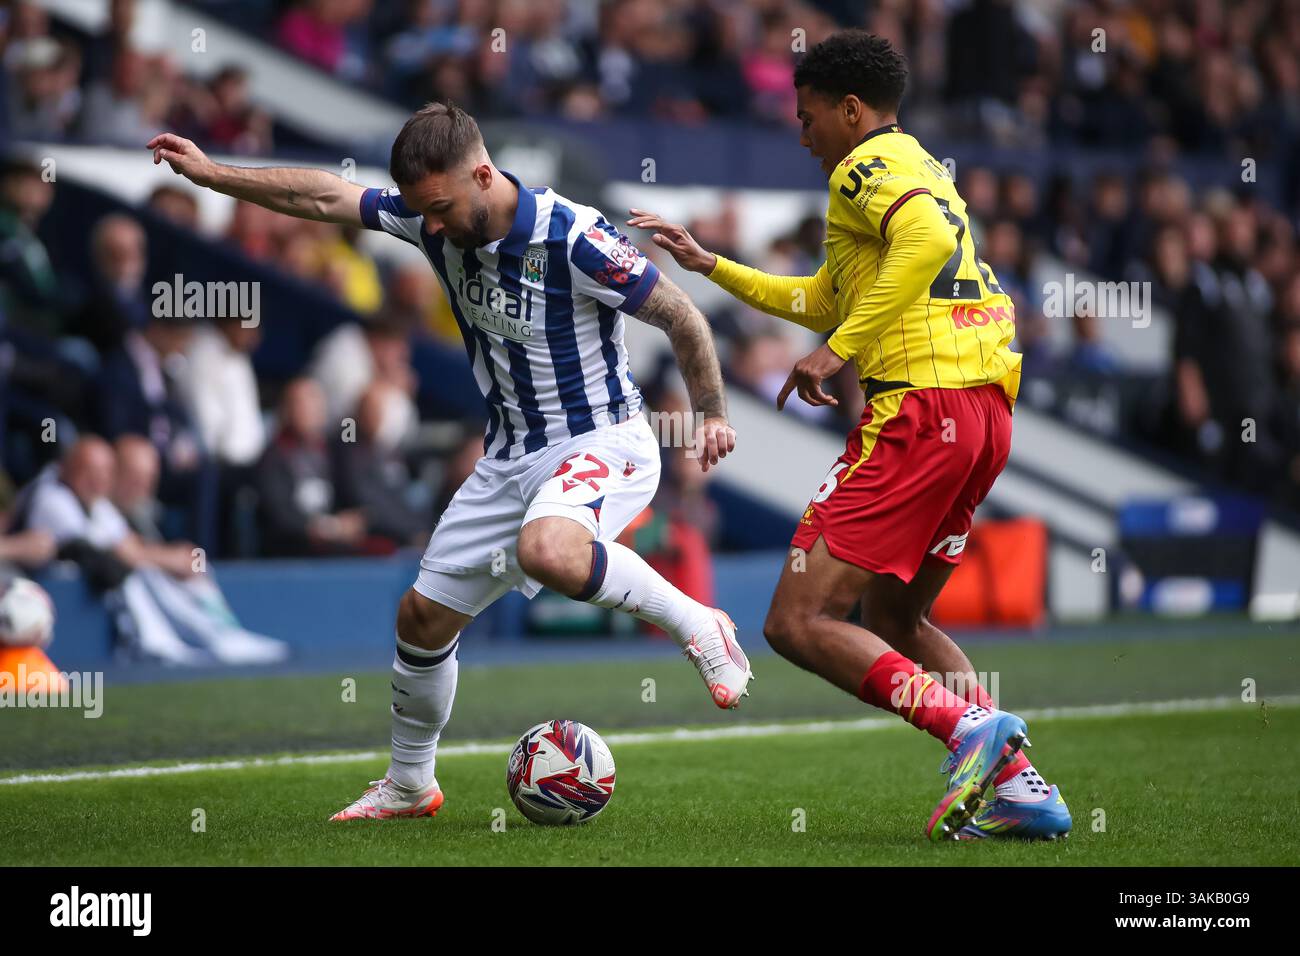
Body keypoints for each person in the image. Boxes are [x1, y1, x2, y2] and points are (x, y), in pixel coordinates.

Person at [148, 101, 752, 822]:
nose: (428, 226)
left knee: (549, 549)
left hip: (603, 440)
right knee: (422, 620)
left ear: (483, 174)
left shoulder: (574, 237)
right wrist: (215, 175)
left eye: (438, 207)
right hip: (509, 460)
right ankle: (410, 784)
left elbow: (681, 315)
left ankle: (699, 625)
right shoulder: (427, 215)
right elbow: (322, 195)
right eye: (418, 211)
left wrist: (712, 413)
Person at [630, 30, 1069, 842]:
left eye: (808, 117)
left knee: (795, 621)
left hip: (920, 410)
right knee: (897, 622)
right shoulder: (919, 166)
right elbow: (824, 297)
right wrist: (713, 266)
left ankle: (967, 732)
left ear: (851, 110)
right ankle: (1019, 786)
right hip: (979, 415)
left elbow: (920, 251)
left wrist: (839, 352)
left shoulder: (864, 166)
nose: (802, 133)